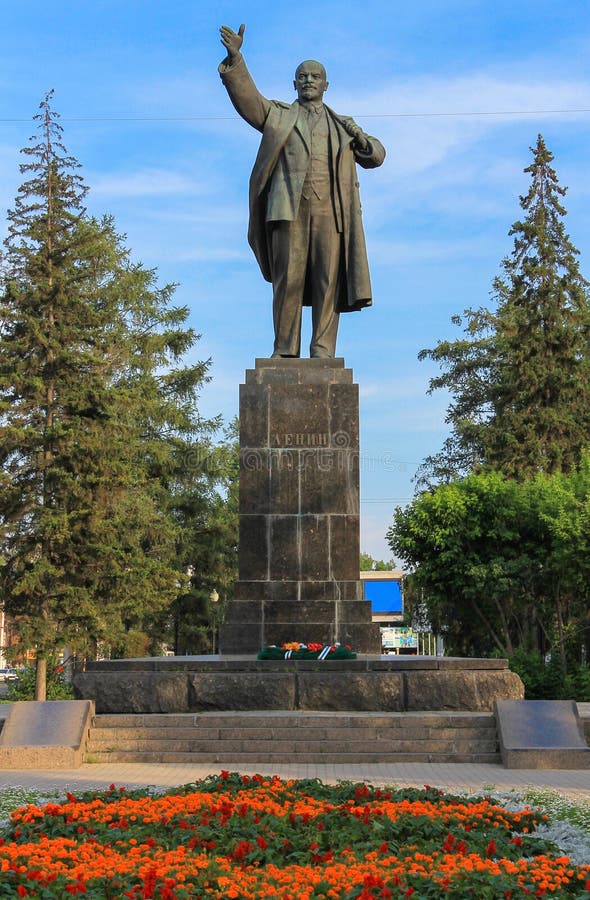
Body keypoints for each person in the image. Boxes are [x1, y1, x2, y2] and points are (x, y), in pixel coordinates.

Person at [219, 24, 385, 359]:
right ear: (294, 84)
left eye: (315, 76)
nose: (308, 80)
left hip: (331, 213)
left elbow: (377, 156)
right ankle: (285, 350)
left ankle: (323, 350)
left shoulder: (343, 125)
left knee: (328, 283)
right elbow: (250, 102)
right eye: (302, 76)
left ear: (326, 85)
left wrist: (362, 138)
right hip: (288, 210)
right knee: (288, 282)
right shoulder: (279, 116)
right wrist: (237, 59)